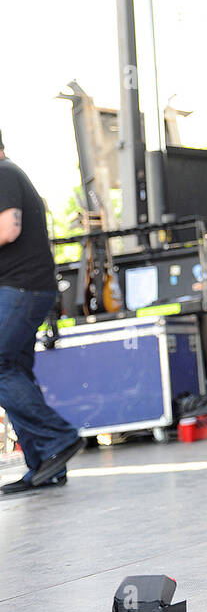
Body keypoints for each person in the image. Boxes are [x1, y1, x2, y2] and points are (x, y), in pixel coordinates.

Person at [0, 132, 83, 494]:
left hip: (22, 288)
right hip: (27, 287)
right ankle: (46, 466)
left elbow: (8, 229)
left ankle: (58, 438)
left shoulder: (4, 172)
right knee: (13, 371)